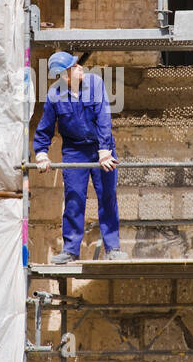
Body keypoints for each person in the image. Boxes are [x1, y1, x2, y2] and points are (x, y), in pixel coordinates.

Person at [32, 51, 125, 263]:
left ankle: (113, 248)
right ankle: (71, 250)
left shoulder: (95, 83)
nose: (80, 67)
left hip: (101, 148)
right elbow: (45, 127)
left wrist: (104, 150)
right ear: (64, 75)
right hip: (74, 150)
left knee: (107, 196)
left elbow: (103, 117)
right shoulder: (54, 95)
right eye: (74, 66)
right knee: (74, 198)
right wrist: (41, 153)